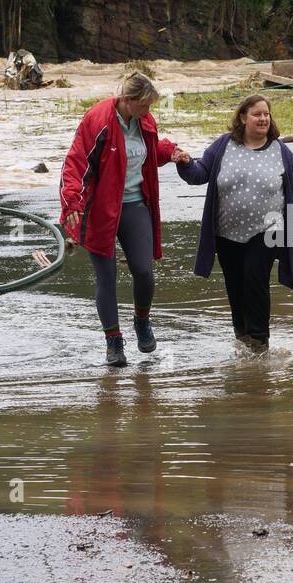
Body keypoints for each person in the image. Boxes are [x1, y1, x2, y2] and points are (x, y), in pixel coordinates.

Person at [59, 72, 188, 367]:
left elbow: (150, 152)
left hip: (134, 204)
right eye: (144, 106)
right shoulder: (98, 120)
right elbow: (76, 163)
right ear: (128, 101)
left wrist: (172, 152)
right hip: (99, 209)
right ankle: (113, 343)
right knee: (107, 276)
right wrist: (72, 203)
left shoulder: (145, 121)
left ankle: (142, 320)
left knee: (143, 270)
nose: (149, 113)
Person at [175, 94, 293, 352]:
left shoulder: (281, 151)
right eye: (257, 114)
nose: (263, 119)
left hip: (270, 229)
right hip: (227, 232)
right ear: (242, 117)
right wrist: (185, 163)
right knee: (235, 284)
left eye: (266, 114)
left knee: (254, 277)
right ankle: (242, 338)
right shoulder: (223, 145)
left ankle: (260, 343)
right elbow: (200, 173)